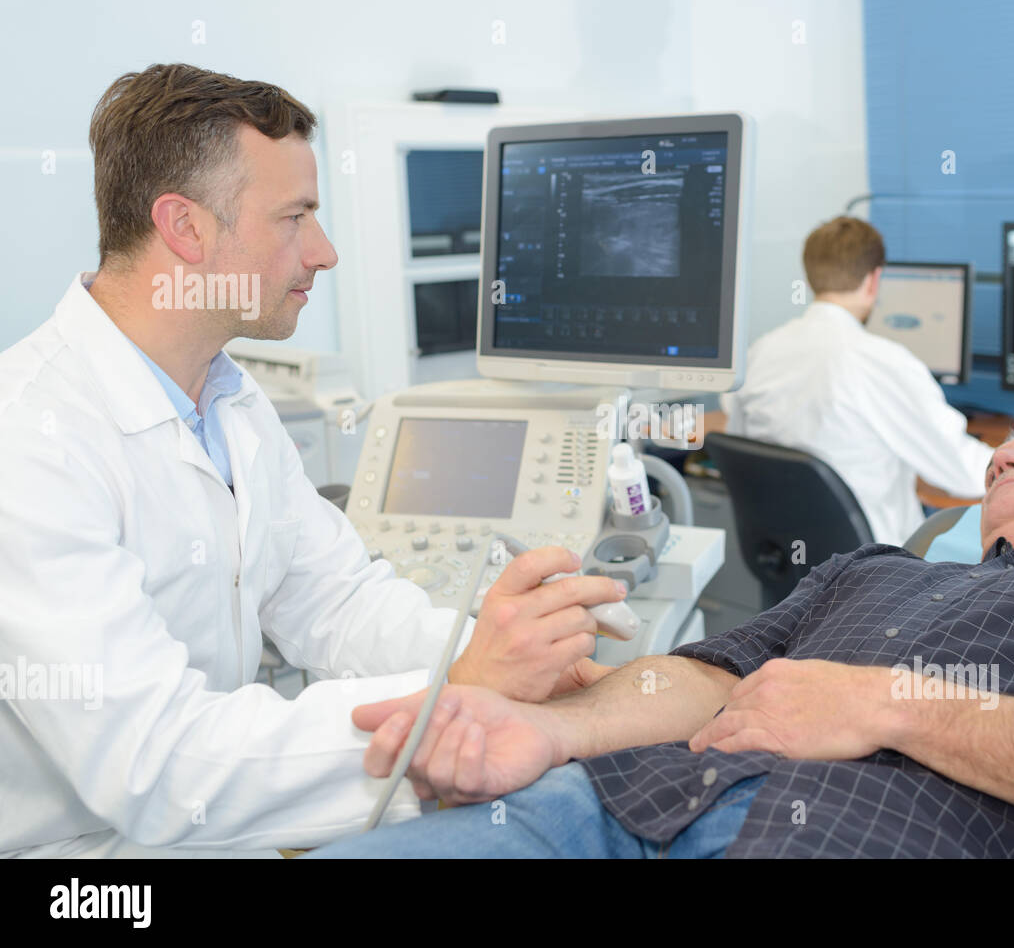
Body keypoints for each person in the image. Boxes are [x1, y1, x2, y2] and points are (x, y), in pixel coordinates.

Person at [0, 64, 626, 858]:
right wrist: (460, 691)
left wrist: (499, 654)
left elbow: (338, 604)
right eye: (295, 217)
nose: (323, 252)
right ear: (185, 227)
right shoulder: (29, 442)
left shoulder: (230, 400)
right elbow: (157, 768)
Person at [312, 416, 1014, 858]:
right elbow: (710, 674)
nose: (1004, 458)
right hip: (602, 806)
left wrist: (884, 705)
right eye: (1000, 454)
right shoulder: (875, 568)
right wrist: (556, 730)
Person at [721, 216, 993, 547]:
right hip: (876, 575)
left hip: (788, 565)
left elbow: (736, 430)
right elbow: (965, 474)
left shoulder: (759, 354)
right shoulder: (885, 363)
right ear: (873, 280)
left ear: (810, 279)